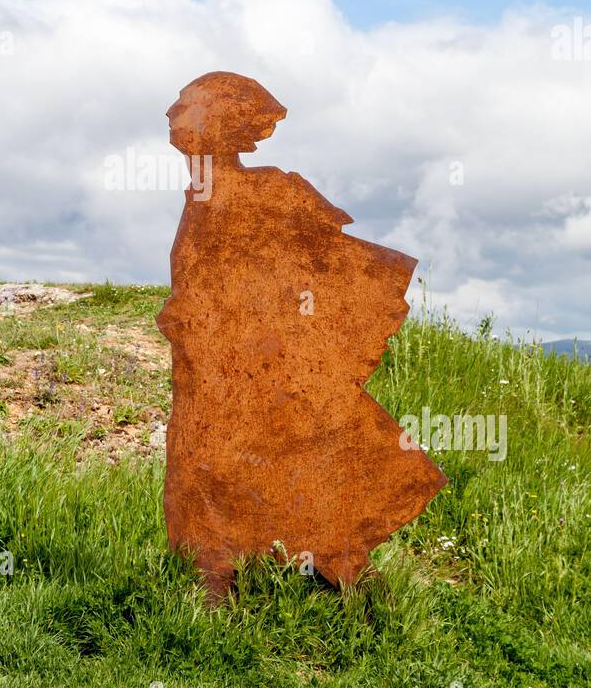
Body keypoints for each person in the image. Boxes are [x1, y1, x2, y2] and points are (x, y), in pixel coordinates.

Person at [157, 70, 446, 599]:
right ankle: (215, 571)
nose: (172, 115)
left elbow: (325, 267)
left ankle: (310, 565)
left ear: (218, 121)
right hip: (205, 366)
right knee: (204, 463)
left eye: (185, 104)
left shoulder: (265, 191)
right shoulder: (206, 193)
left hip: (243, 364)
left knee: (241, 457)